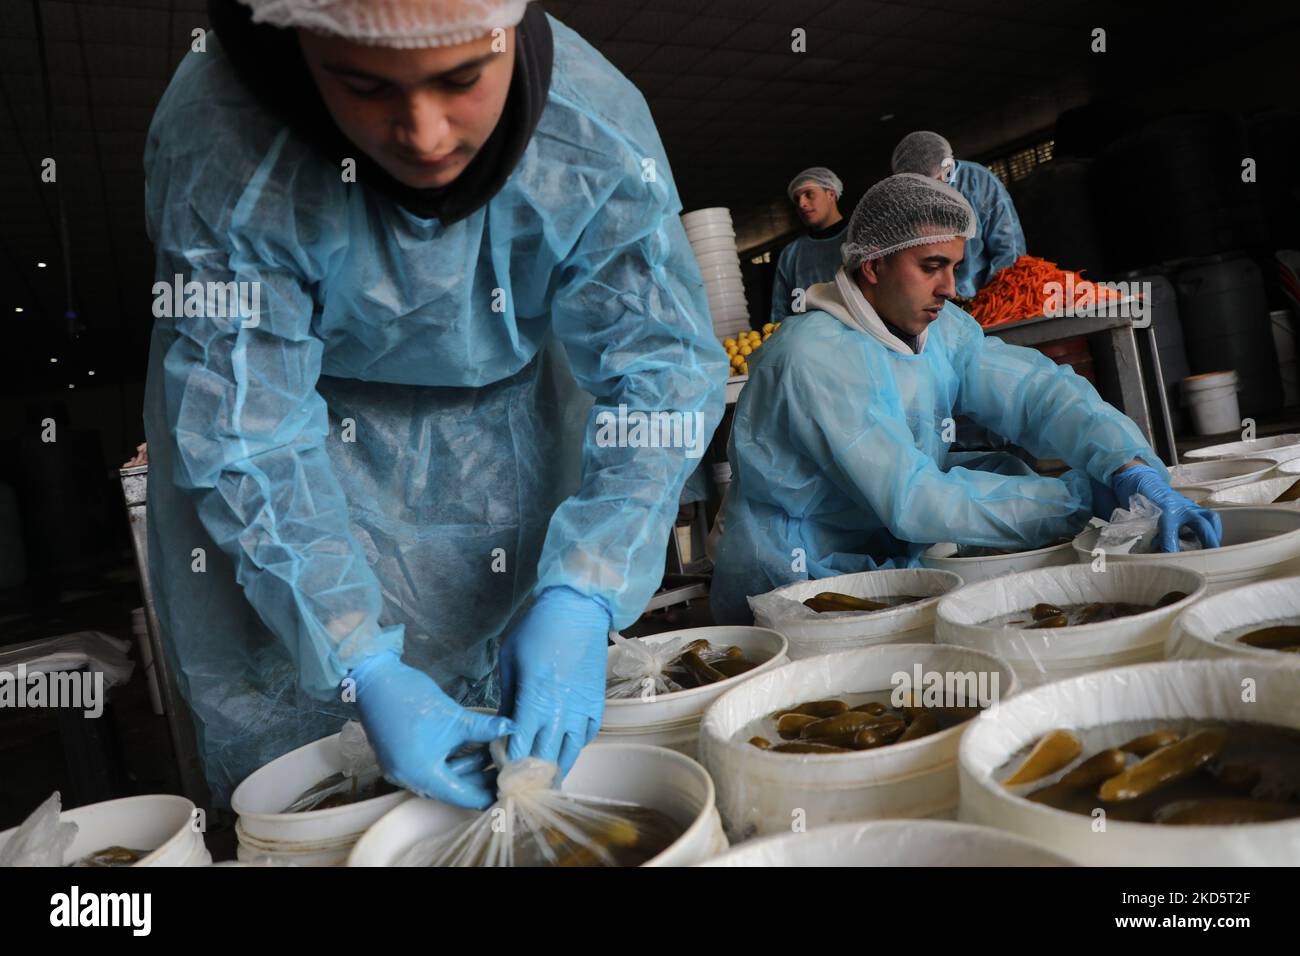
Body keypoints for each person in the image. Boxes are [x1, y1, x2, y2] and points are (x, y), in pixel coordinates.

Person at [143, 0, 726, 808]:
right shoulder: (226, 138)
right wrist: (358, 658)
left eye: (461, 79)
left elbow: (659, 368)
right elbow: (249, 433)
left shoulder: (589, 131)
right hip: (306, 490)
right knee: (321, 792)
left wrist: (586, 581)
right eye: (361, 84)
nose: (422, 134)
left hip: (508, 462)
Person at [709, 174, 1219, 625]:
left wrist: (1125, 463)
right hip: (799, 581)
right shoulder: (812, 357)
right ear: (873, 265)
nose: (950, 288)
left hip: (885, 550)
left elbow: (1033, 393)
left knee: (1002, 467)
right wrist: (1080, 501)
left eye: (954, 266)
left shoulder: (941, 327)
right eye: (932, 266)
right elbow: (913, 498)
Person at [891, 131, 1026, 298]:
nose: (926, 195)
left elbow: (1009, 250)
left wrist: (994, 301)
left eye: (932, 184)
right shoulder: (902, 199)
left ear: (947, 167)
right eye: (917, 188)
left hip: (984, 298)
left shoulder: (979, 183)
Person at [769, 167, 848, 324]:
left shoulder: (856, 238)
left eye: (809, 194)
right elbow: (780, 311)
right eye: (797, 199)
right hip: (806, 343)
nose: (802, 203)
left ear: (831, 194)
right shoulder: (790, 254)